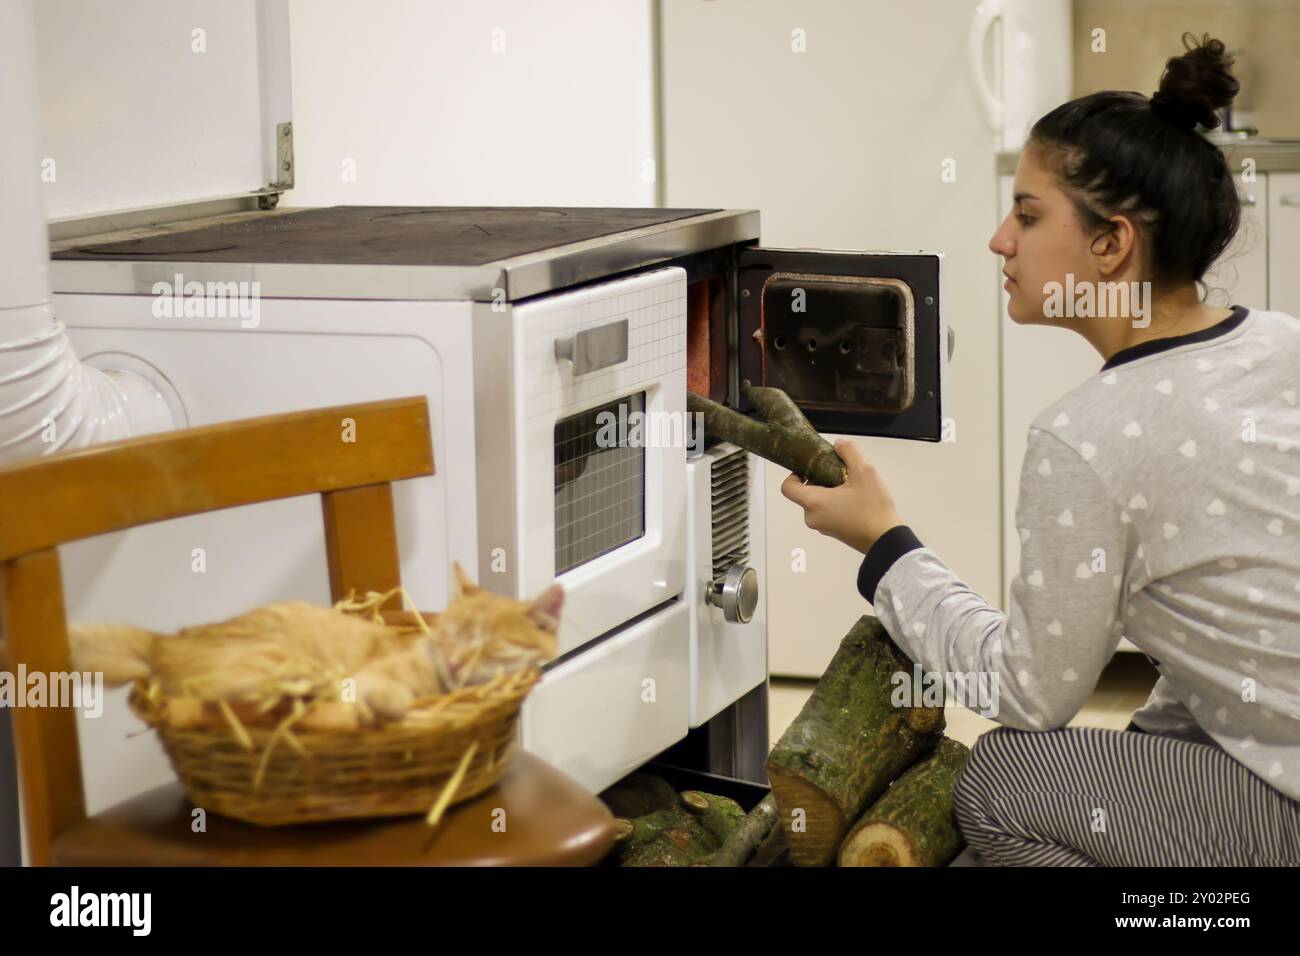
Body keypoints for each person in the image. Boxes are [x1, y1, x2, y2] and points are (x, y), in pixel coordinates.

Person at [781, 33, 1300, 866]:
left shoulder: (1086, 437)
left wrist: (884, 546)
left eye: (1027, 214)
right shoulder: (1281, 342)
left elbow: (1027, 695)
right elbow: (1234, 607)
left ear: (1110, 245)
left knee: (999, 779)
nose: (999, 240)